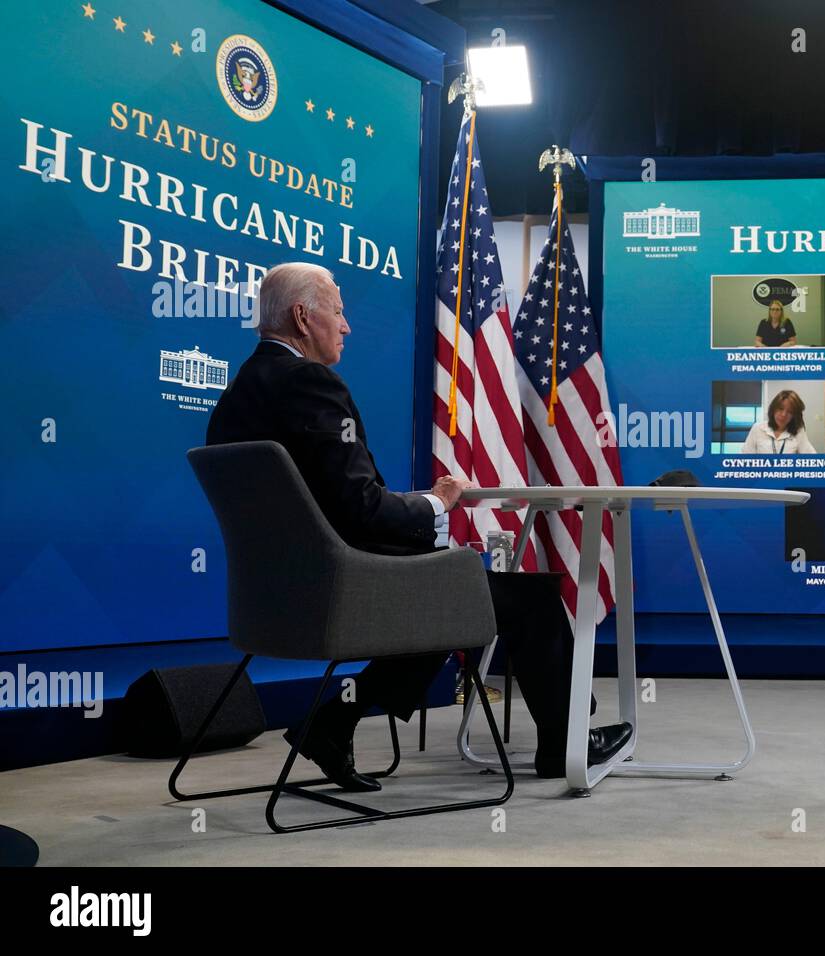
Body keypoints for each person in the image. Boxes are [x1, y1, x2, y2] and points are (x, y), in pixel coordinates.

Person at [207, 262, 631, 788]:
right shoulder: (310, 383)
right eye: (338, 312)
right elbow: (362, 510)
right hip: (339, 588)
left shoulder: (236, 395)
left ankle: (331, 723)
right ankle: (567, 747)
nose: (346, 326)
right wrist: (436, 503)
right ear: (301, 316)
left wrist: (415, 518)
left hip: (273, 597)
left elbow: (329, 505)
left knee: (446, 592)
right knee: (526, 599)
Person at [740, 389, 817, 454]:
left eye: (790, 411)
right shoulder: (758, 428)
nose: (783, 415)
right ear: (773, 408)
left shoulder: (798, 431)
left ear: (794, 415)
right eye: (780, 408)